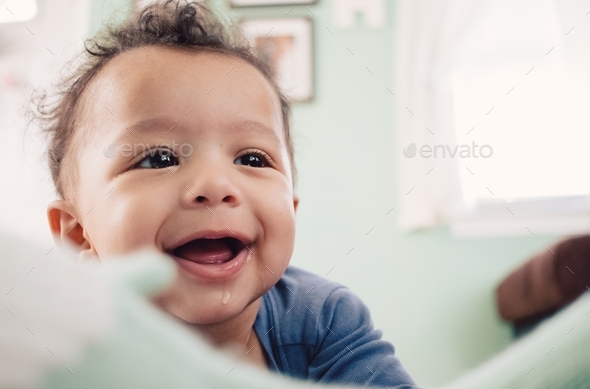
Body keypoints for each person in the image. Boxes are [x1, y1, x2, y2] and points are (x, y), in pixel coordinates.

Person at [36, 1, 415, 387]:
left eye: (251, 158)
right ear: (77, 234)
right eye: (157, 159)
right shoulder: (64, 357)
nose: (216, 185)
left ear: (292, 209)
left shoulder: (323, 317)